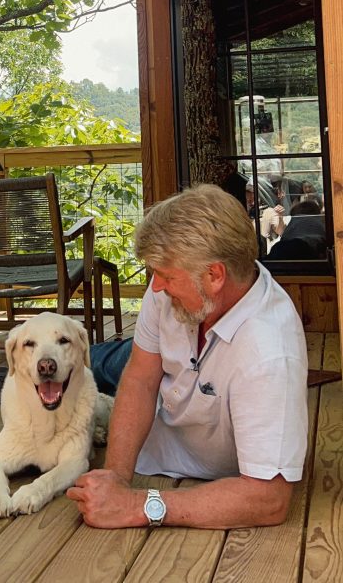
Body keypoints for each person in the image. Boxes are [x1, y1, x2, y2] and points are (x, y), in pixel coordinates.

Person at [66, 183, 308, 530]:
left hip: (207, 474)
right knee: (90, 361)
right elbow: (138, 378)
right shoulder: (171, 284)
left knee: (92, 365)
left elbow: (268, 501)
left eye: (167, 277)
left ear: (214, 276)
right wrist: (117, 476)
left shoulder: (268, 354)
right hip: (164, 374)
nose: (157, 286)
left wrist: (137, 505)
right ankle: (17, 375)